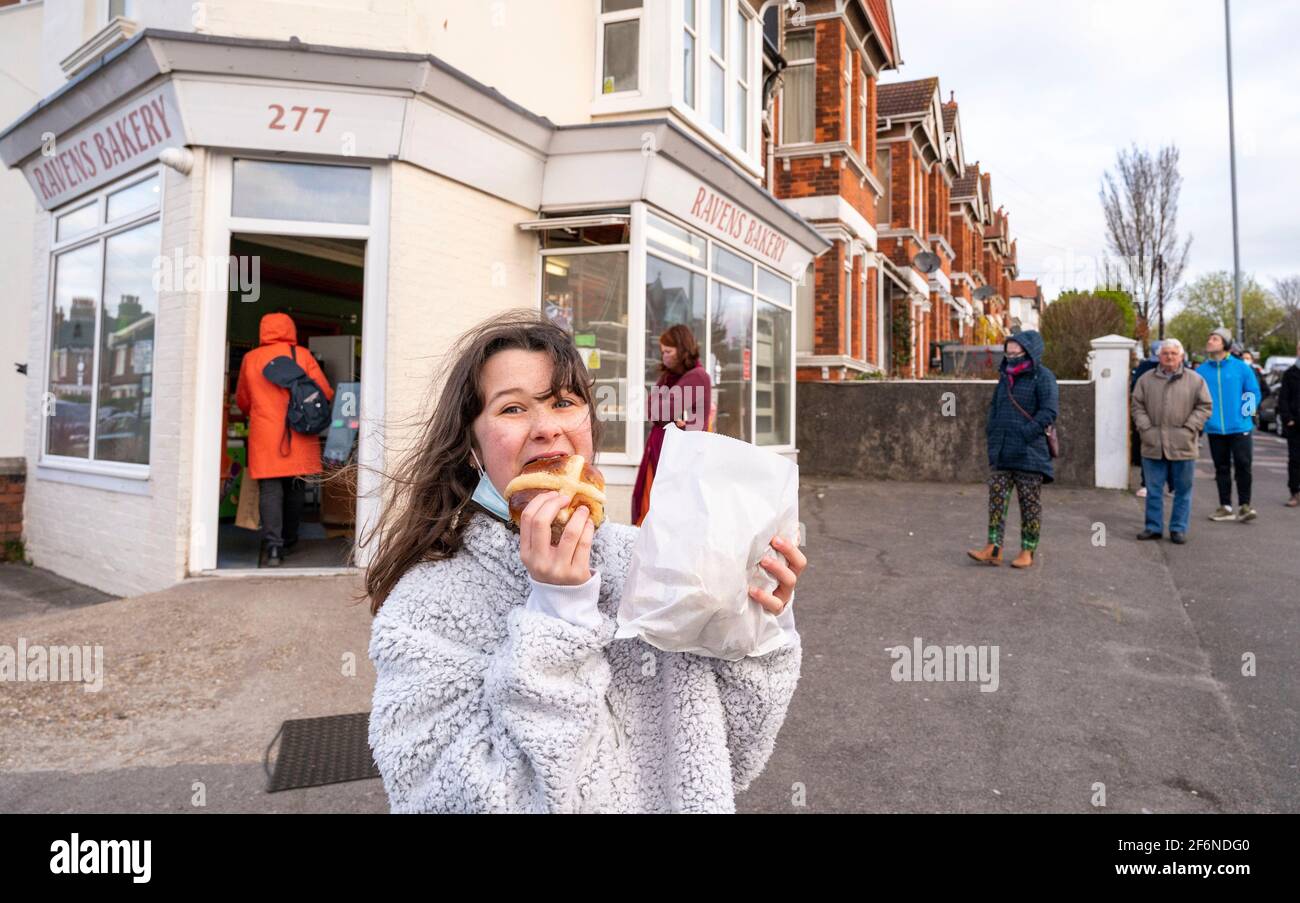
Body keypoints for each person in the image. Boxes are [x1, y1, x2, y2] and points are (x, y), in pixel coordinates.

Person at [363, 310, 803, 813]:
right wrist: (557, 615)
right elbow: (448, 801)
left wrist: (755, 625)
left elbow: (731, 754)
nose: (547, 428)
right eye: (512, 409)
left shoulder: (650, 560)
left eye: (564, 402)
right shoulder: (426, 607)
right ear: (471, 448)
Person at [235, 312, 335, 567]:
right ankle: (290, 540)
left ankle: (273, 549)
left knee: (270, 490)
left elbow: (243, 400)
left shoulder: (251, 359)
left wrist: (260, 412)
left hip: (265, 435)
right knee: (295, 488)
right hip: (298, 432)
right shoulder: (301, 355)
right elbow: (324, 391)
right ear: (290, 329)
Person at [968, 330, 1059, 569]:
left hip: (1030, 453)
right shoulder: (1004, 377)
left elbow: (1049, 412)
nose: (1010, 354)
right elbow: (995, 407)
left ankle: (1027, 550)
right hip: (1002, 451)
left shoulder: (1043, 377)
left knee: (1029, 504)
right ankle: (993, 547)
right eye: (1007, 350)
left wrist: (1025, 434)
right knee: (996, 500)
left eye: (1015, 349)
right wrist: (992, 431)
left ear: (1029, 350)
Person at [1130, 339, 1213, 544]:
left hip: (1183, 444)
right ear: (1159, 356)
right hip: (1153, 443)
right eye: (1165, 353)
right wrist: (1146, 429)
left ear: (1181, 356)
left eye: (1173, 354)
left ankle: (1178, 528)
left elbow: (1205, 406)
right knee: (1153, 489)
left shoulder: (1195, 380)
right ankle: (1153, 527)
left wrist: (1189, 428)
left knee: (1183, 491)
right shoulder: (1146, 379)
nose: (1169, 357)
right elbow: (1136, 405)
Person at [631, 324, 713, 526]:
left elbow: (660, 412)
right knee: (655, 507)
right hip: (665, 449)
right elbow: (652, 411)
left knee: (665, 510)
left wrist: (671, 419)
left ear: (682, 349)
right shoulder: (670, 376)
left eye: (668, 351)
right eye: (662, 352)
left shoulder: (697, 376)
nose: (664, 356)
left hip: (678, 454)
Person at [1197, 327, 1261, 523]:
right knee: (1221, 468)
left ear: (1225, 344)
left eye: (1214, 339)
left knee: (1243, 466)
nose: (1210, 341)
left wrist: (1245, 416)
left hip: (1240, 428)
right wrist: (1205, 420)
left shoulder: (1241, 367)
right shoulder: (1201, 371)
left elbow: (1252, 392)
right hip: (1215, 428)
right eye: (1209, 338)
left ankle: (1245, 506)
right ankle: (1225, 507)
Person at [1130, 340, 1163, 497]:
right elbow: (1136, 394)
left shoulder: (1244, 369)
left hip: (1241, 427)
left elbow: (1250, 391)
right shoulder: (1145, 368)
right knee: (1149, 451)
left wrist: (1249, 416)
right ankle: (1147, 483)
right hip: (1150, 418)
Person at [1278, 343, 1300, 507]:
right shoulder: (1290, 374)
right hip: (1295, 425)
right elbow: (1283, 399)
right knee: (1295, 460)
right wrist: (1288, 419)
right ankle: (1295, 492)